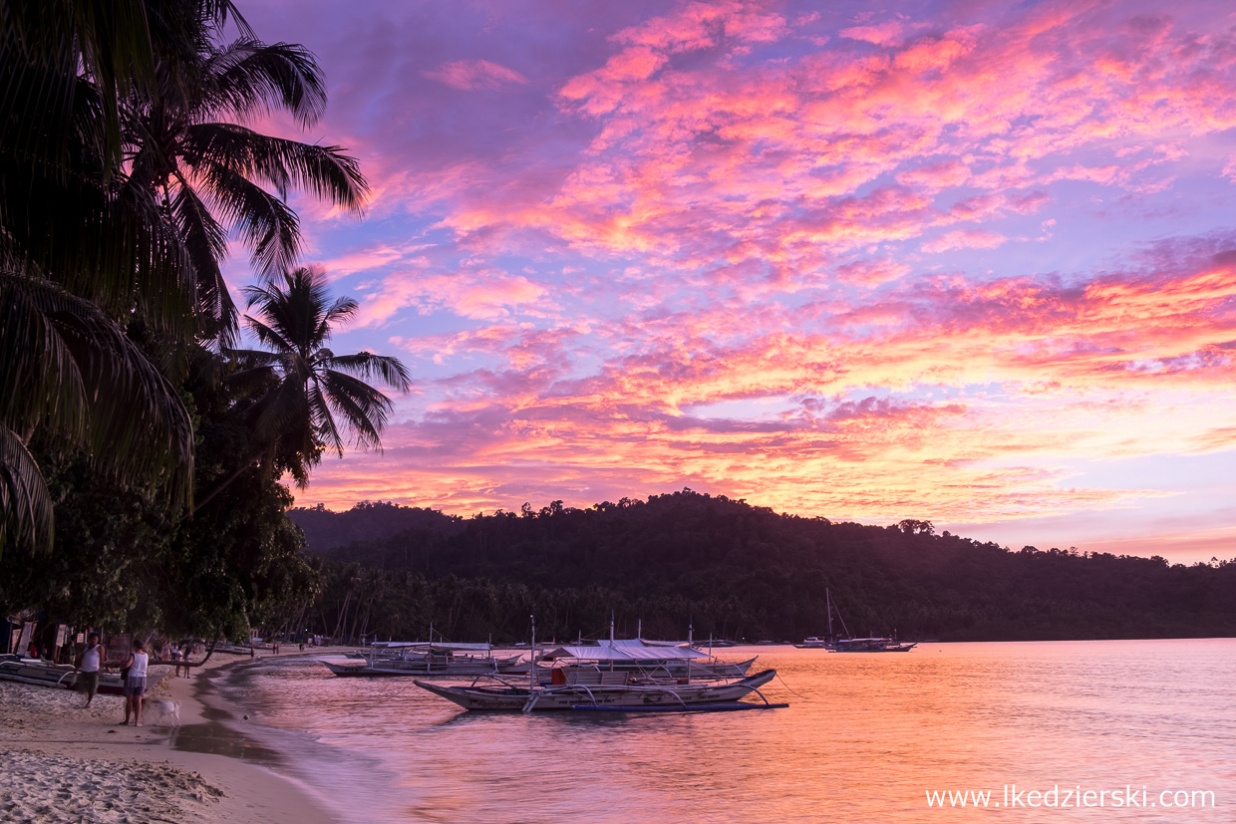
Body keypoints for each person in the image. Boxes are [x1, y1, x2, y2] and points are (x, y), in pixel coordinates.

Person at [122, 639, 149, 726]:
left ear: (135, 646)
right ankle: (137, 721)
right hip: (142, 678)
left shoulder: (133, 655)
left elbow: (127, 665)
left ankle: (127, 720)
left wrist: (122, 665)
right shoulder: (146, 655)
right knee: (138, 700)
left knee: (129, 700)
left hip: (132, 677)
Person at [75, 632, 105, 708]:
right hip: (84, 670)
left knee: (92, 687)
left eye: (95, 639)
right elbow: (81, 658)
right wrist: (76, 668)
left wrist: (101, 669)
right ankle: (86, 697)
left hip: (94, 670)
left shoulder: (99, 648)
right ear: (89, 639)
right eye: (92, 639)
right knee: (81, 687)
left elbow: (102, 660)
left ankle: (89, 702)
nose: (94, 640)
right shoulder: (86, 648)